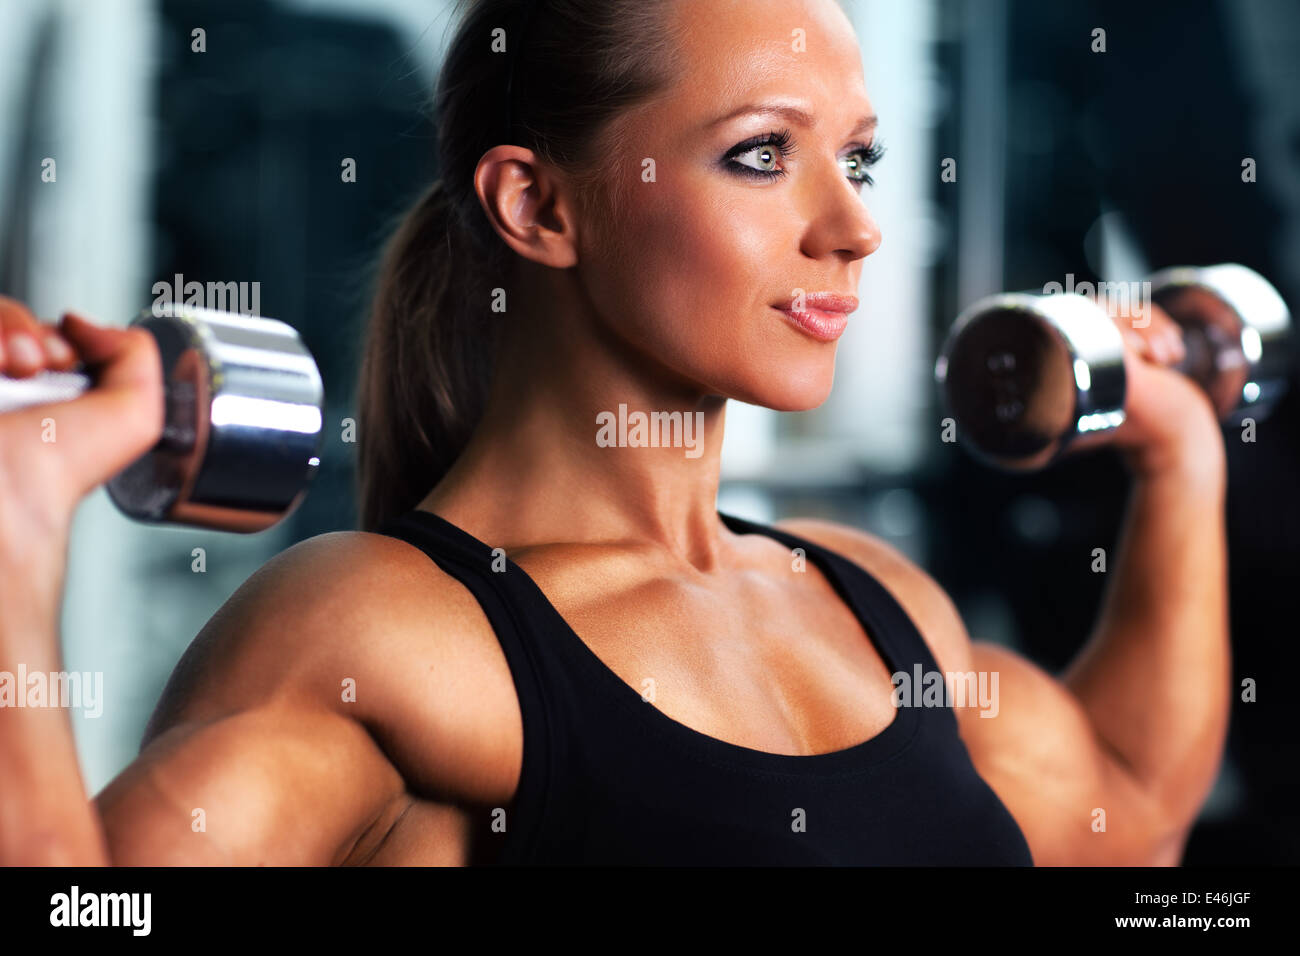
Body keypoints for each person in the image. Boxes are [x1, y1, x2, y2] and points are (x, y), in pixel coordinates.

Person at [0, 0, 1228, 866]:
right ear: (536, 204)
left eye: (857, 156)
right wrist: (14, 525)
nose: (853, 227)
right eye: (761, 155)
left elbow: (1125, 809)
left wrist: (1177, 461)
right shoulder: (393, 634)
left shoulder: (876, 601)